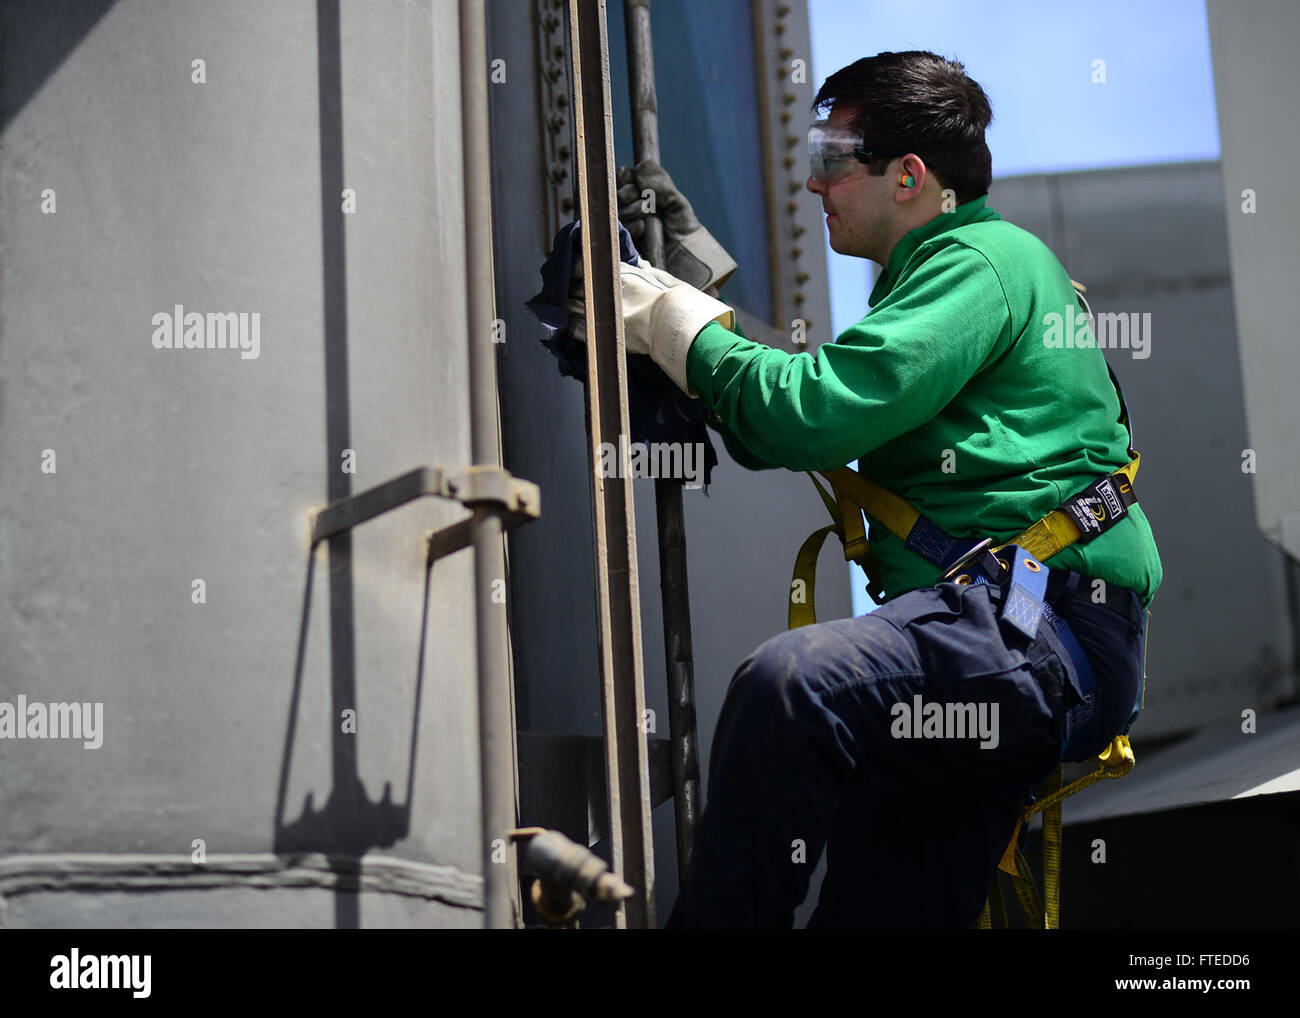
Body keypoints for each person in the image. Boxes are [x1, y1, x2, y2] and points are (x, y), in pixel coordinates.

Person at [579, 50, 1161, 928]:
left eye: (830, 161)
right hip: (1003, 653)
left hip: (1031, 630)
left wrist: (673, 326)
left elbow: (811, 413)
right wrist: (694, 307)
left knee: (796, 683)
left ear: (910, 176)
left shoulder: (980, 259)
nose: (815, 188)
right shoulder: (950, 278)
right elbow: (793, 413)